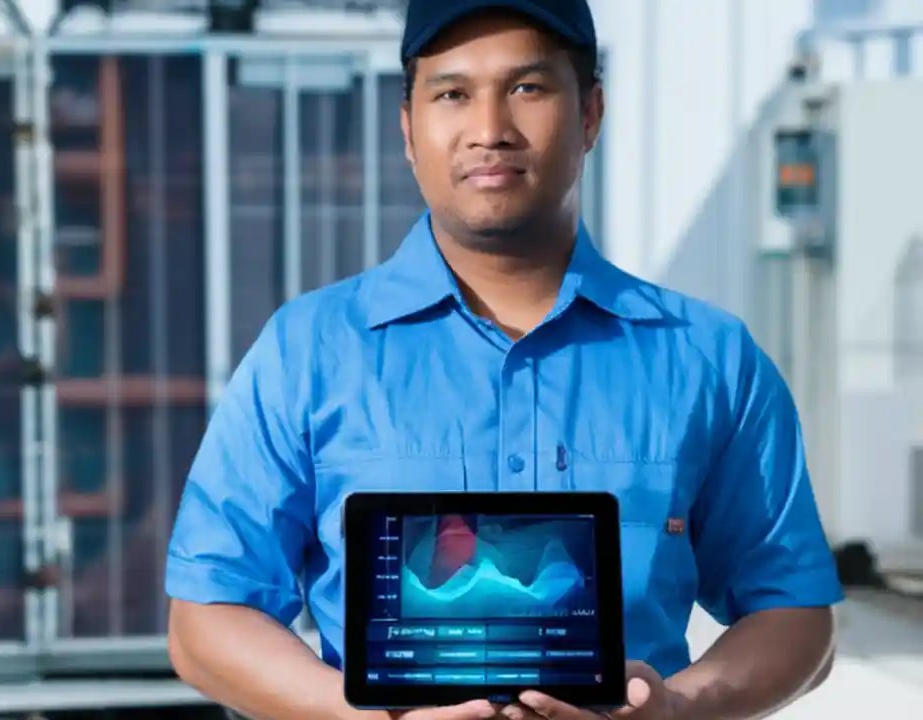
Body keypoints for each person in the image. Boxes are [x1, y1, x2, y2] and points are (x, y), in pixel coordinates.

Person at [164, 0, 844, 718]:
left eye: (527, 87)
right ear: (408, 128)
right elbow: (205, 619)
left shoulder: (710, 360)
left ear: (590, 114)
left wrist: (676, 707)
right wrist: (360, 717)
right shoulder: (307, 352)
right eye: (452, 93)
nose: (489, 129)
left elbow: (797, 615)